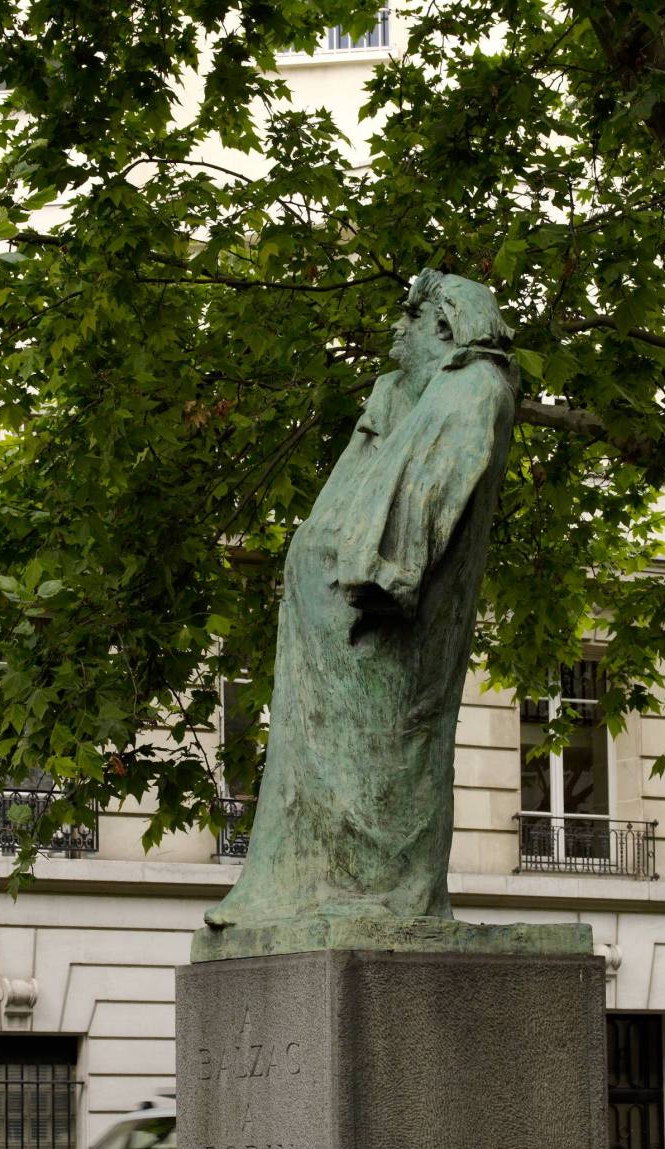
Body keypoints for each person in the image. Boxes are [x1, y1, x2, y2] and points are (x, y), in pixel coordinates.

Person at [205, 269, 518, 932]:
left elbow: (434, 486)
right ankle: (303, 889)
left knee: (386, 767)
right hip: (340, 634)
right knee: (332, 768)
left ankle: (376, 897)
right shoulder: (410, 392)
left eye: (410, 317)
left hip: (380, 623)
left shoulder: (473, 385)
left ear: (445, 326)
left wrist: (388, 575)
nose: (396, 329)